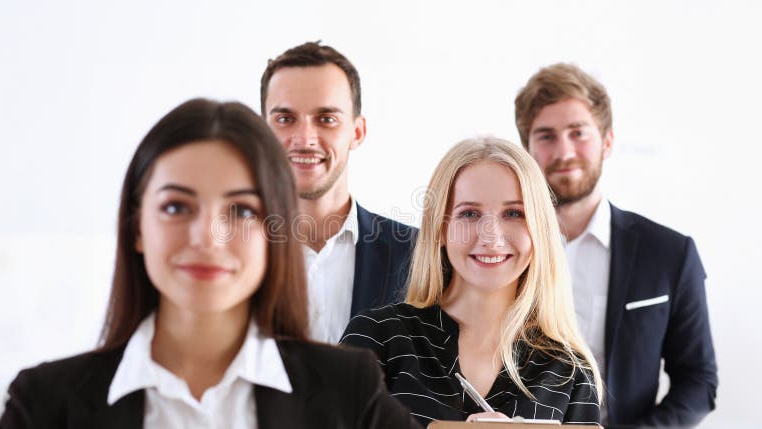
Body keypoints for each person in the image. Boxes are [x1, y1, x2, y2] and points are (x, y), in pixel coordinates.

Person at [0, 99, 421, 429]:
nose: (206, 237)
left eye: (241, 211)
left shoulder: (350, 391)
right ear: (138, 227)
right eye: (177, 206)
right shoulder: (43, 404)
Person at [341, 137, 602, 427]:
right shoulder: (376, 338)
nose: (491, 236)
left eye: (514, 213)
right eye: (469, 214)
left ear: (539, 229)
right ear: (440, 229)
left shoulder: (570, 371)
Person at [514, 63, 717, 427]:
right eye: (546, 136)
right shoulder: (496, 249)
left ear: (607, 141)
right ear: (526, 150)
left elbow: (698, 381)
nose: (564, 151)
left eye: (578, 133)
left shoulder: (670, 253)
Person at [260, 42, 417, 343]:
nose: (305, 139)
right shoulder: (230, 251)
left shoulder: (418, 255)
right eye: (285, 119)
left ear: (357, 132)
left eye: (326, 119)